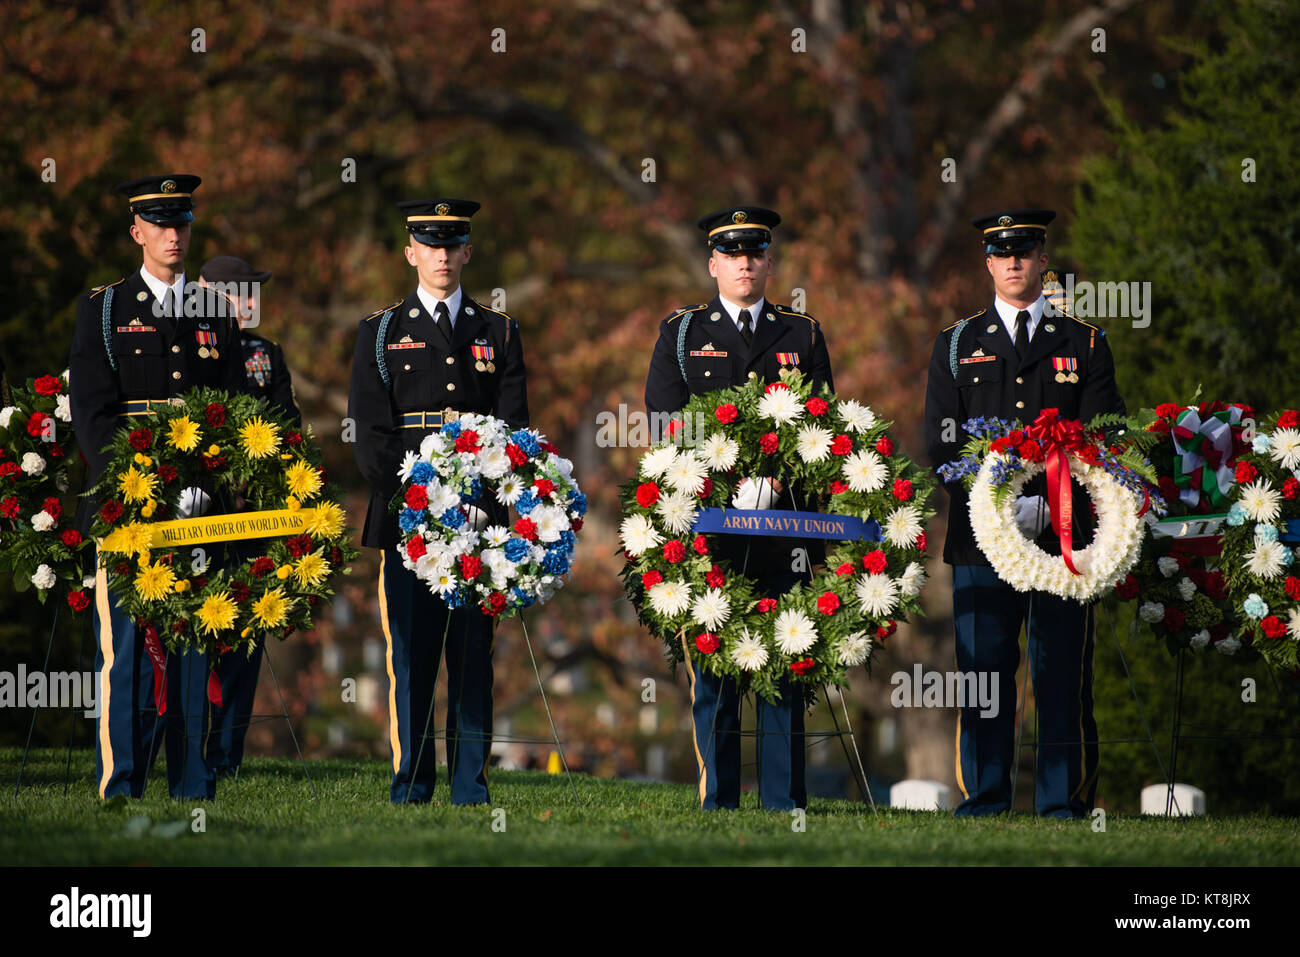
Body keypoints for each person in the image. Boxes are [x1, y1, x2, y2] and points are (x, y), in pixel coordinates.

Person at [923, 209, 1125, 818]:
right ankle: (984, 800)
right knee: (984, 674)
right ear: (987, 262)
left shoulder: (1084, 342)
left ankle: (1062, 803)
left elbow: (1105, 436)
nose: (1013, 261)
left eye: (1025, 249)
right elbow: (943, 443)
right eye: (1001, 251)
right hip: (981, 542)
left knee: (1060, 670)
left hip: (1067, 539)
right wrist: (1005, 504)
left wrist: (1055, 502)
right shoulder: (957, 344)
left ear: (1043, 259)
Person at [644, 206, 833, 811]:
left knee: (786, 655)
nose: (744, 264)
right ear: (712, 265)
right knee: (717, 663)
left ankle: (785, 802)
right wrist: (725, 481)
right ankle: (718, 799)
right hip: (710, 526)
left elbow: (823, 431)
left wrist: (775, 483)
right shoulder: (680, 333)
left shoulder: (801, 333)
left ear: (770, 264)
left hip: (786, 525)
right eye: (732, 254)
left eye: (754, 253)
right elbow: (665, 423)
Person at [69, 174, 244, 800]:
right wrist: (133, 481)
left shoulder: (215, 311)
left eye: (183, 223)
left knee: (197, 640)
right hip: (128, 499)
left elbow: (229, 406)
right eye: (161, 224)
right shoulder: (104, 308)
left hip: (198, 501)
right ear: (136, 232)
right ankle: (121, 780)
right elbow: (91, 409)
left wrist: (209, 479)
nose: (174, 235)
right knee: (126, 653)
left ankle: (192, 781)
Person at [348, 197, 528, 805]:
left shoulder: (498, 330)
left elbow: (513, 428)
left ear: (468, 253)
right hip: (407, 524)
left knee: (473, 656)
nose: (443, 255)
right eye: (430, 244)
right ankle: (412, 782)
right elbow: (371, 435)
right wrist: (417, 504)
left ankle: (471, 785)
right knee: (414, 656)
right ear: (411, 254)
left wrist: (483, 502)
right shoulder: (380, 332)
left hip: (480, 522)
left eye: (453, 244)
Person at [198, 255, 302, 776]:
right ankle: (182, 750)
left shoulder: (266, 354)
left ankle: (226, 756)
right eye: (237, 291)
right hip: (196, 514)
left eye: (250, 292)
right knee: (191, 634)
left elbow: (287, 428)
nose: (246, 302)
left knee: (244, 633)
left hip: (254, 517)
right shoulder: (187, 346)